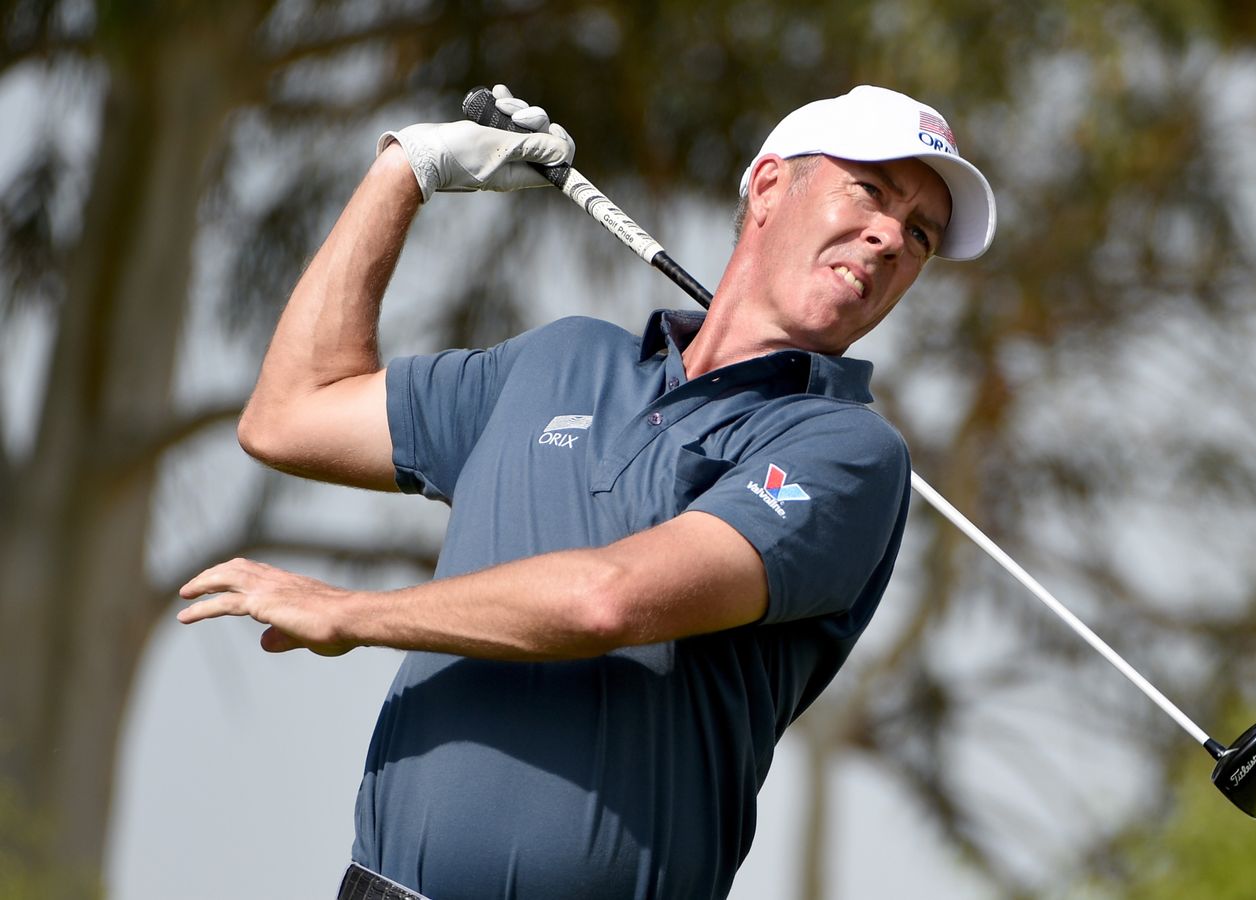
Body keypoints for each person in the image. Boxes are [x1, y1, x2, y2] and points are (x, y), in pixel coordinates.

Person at [178, 83, 995, 899]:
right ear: (771, 185)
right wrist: (406, 171)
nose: (890, 236)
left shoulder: (845, 451)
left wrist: (351, 614)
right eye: (872, 191)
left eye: (919, 233)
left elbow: (608, 600)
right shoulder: (560, 360)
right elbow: (288, 416)